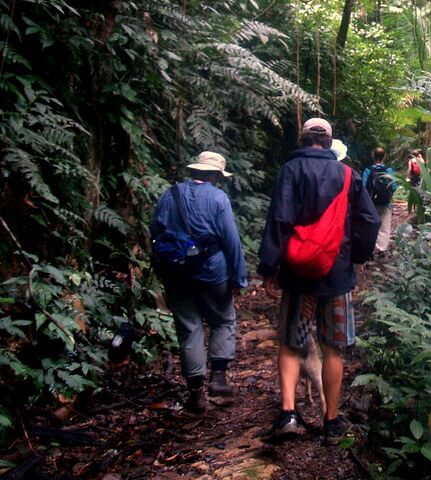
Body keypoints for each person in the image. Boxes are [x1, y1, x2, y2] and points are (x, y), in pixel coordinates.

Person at [257, 117, 379, 445]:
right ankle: (332, 422)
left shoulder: (290, 171)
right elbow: (369, 220)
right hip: (336, 276)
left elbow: (279, 221)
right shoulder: (348, 174)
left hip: (298, 275)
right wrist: (354, 255)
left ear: (302, 138)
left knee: (290, 343)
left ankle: (288, 414)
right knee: (333, 348)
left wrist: (269, 266)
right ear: (329, 141)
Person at [151, 151, 247, 414]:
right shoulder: (218, 198)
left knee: (189, 328)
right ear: (216, 175)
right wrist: (239, 277)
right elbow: (231, 241)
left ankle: (195, 394)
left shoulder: (169, 196)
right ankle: (218, 377)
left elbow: (156, 234)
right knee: (223, 320)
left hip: (177, 272)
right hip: (213, 270)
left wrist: (163, 270)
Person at [362, 147, 398, 255]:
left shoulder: (368, 170)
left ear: (373, 156)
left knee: (371, 225)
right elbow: (394, 186)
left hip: (371, 202)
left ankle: (370, 248)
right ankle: (381, 249)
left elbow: (363, 186)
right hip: (385, 202)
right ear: (384, 156)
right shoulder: (388, 170)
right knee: (384, 226)